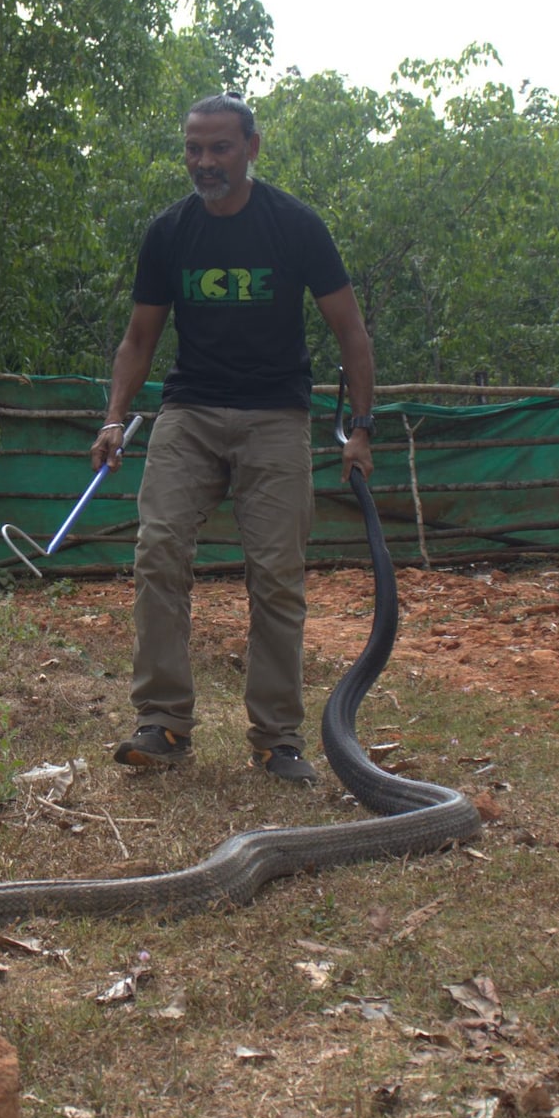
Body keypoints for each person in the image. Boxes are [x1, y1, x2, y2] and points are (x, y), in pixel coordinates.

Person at [91, 91, 375, 784]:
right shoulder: (170, 232)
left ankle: (277, 739)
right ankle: (162, 724)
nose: (205, 161)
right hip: (189, 411)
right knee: (158, 551)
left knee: (276, 575)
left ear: (252, 147)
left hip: (277, 415)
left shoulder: (295, 227)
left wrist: (359, 429)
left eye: (220, 147)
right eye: (194, 148)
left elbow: (352, 333)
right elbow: (139, 337)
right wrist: (112, 415)